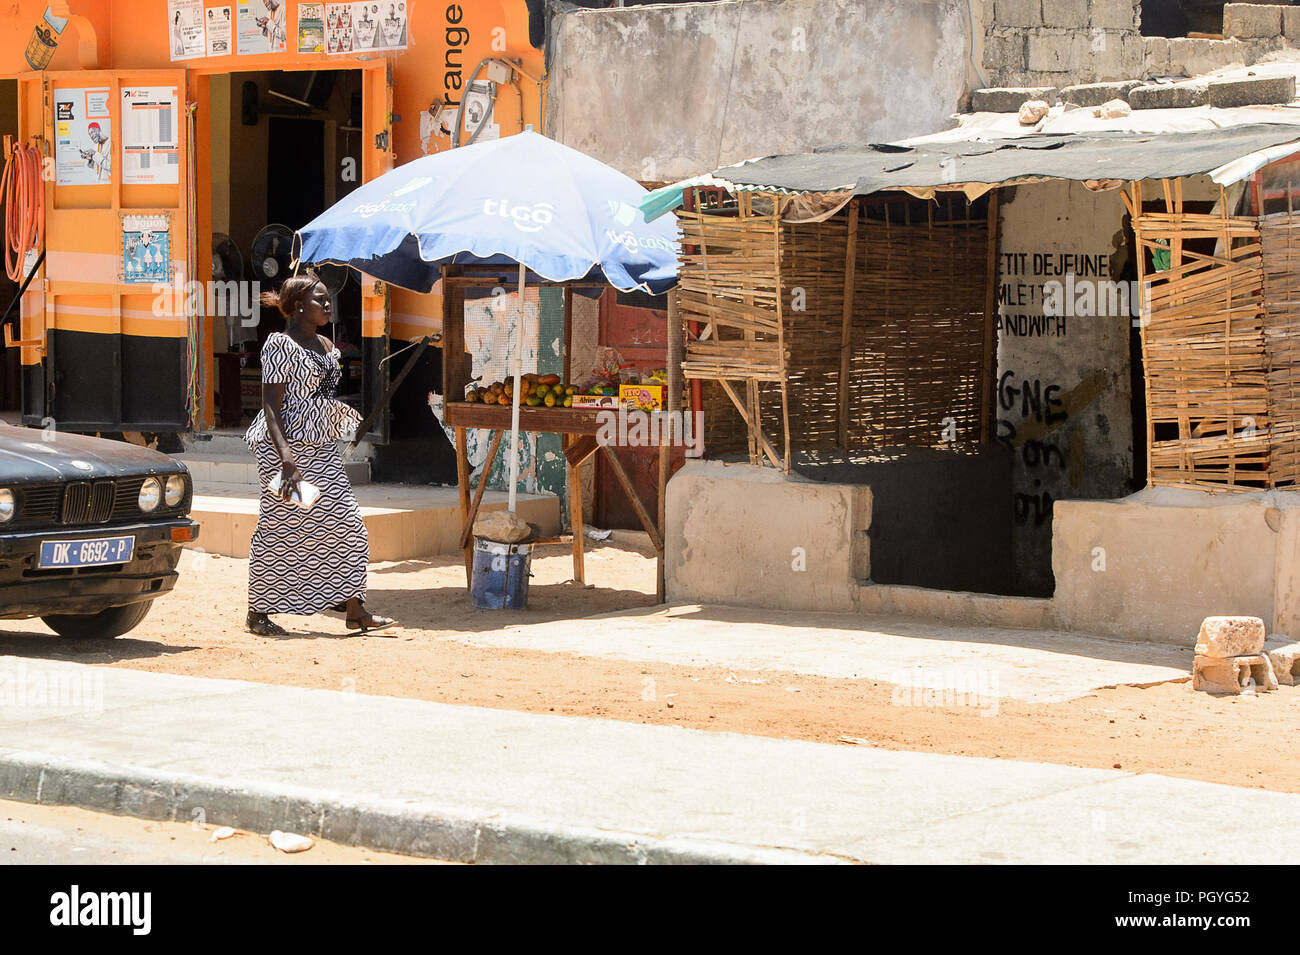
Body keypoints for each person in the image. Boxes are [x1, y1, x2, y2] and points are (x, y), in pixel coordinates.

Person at [244, 274, 395, 636]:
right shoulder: (279, 345)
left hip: (322, 445)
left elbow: (322, 397)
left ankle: (355, 609)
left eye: (329, 300)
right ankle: (258, 611)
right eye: (320, 300)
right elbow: (271, 407)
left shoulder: (328, 346)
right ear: (298, 305)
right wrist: (286, 460)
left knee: (347, 524)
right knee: (281, 526)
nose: (328, 306)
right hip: (282, 449)